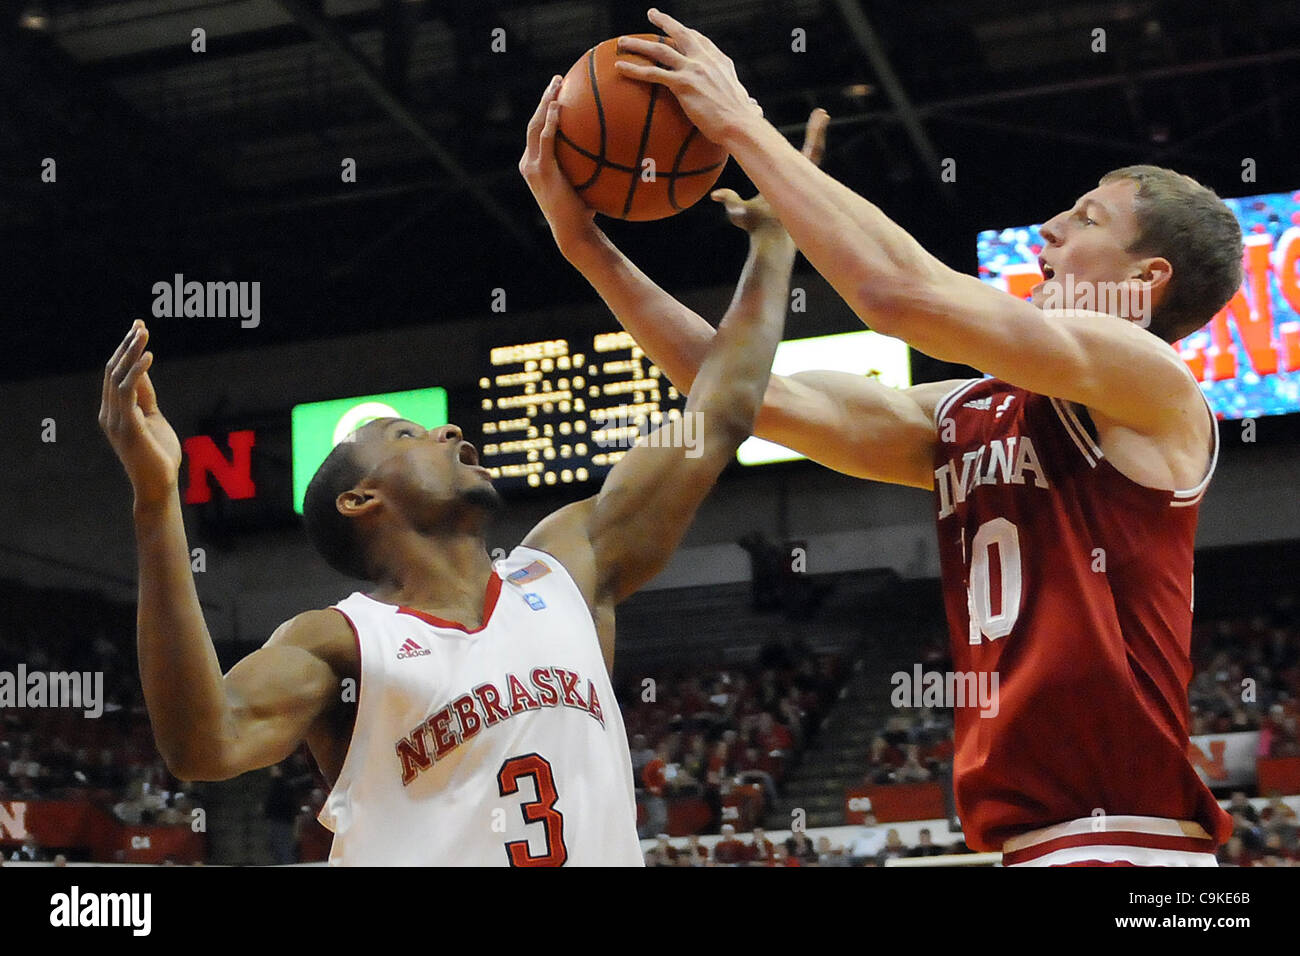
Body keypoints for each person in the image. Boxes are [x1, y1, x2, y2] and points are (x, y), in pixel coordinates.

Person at [530, 8, 1244, 866]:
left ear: (1146, 278)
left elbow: (900, 295)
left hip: (1132, 850)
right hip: (1041, 848)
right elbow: (756, 395)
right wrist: (587, 246)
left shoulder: (1153, 385)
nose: (1051, 228)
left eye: (1087, 218)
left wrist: (744, 126)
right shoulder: (970, 414)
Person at [97, 114, 800, 865]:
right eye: (408, 435)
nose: (451, 434)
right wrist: (156, 501)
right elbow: (204, 744)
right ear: (359, 499)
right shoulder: (340, 645)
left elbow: (717, 416)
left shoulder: (567, 565)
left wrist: (773, 243)